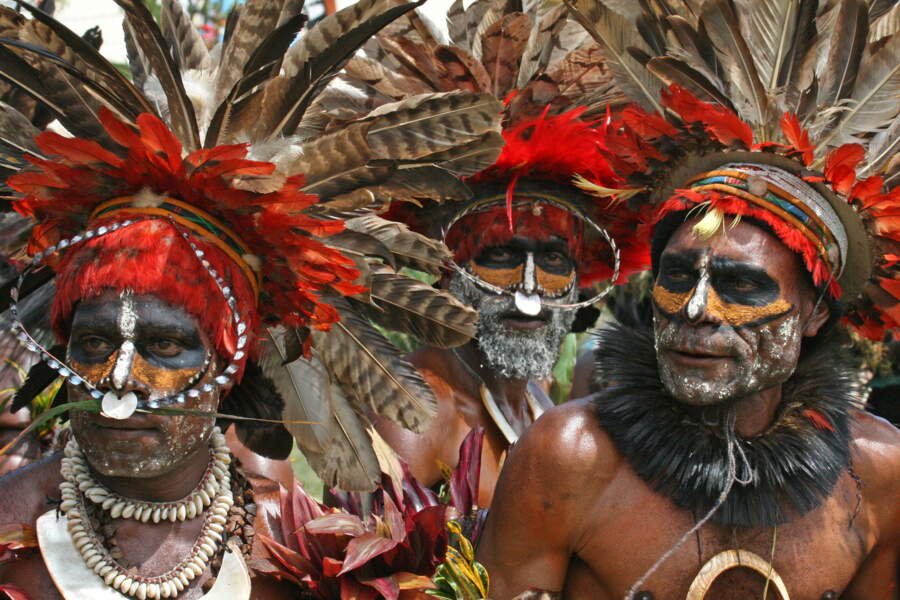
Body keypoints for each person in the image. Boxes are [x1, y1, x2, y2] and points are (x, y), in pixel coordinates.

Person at [0, 0, 502, 597]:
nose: (122, 379)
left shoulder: (304, 556)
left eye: (164, 345)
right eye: (93, 343)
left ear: (228, 365)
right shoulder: (9, 526)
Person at [478, 1, 900, 596]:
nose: (695, 308)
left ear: (816, 311)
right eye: (676, 277)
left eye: (740, 283)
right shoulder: (567, 458)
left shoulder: (877, 475)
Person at [332, 0, 649, 505]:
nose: (528, 293)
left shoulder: (536, 396)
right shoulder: (417, 411)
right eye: (500, 257)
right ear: (446, 270)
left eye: (551, 262)